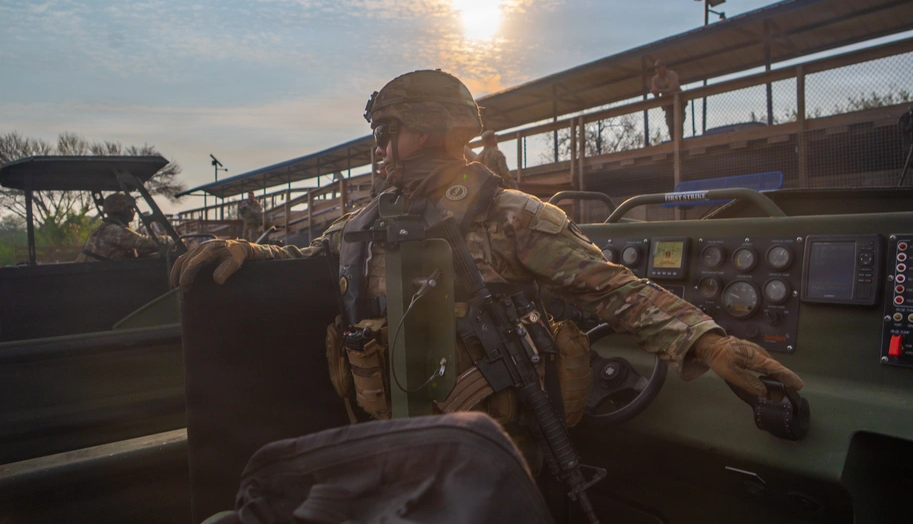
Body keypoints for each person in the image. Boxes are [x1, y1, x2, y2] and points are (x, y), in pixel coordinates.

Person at [171, 69, 802, 429]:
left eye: (390, 134)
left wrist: (710, 342)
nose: (381, 151)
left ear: (434, 130)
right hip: (387, 439)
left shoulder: (510, 216)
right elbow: (314, 259)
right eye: (378, 137)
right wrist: (245, 251)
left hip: (489, 446)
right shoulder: (368, 221)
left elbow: (613, 288)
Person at [76, 192, 171, 262]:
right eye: (131, 208)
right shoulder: (114, 231)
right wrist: (172, 240)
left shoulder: (106, 229)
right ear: (123, 210)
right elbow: (144, 242)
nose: (134, 212)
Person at [650, 60, 687, 137]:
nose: (657, 70)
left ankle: (680, 141)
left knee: (679, 121)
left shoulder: (672, 74)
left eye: (659, 67)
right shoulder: (655, 79)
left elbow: (673, 88)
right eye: (656, 68)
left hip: (679, 102)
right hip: (667, 105)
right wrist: (655, 93)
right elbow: (656, 94)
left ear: (664, 67)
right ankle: (673, 142)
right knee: (670, 123)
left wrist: (659, 90)